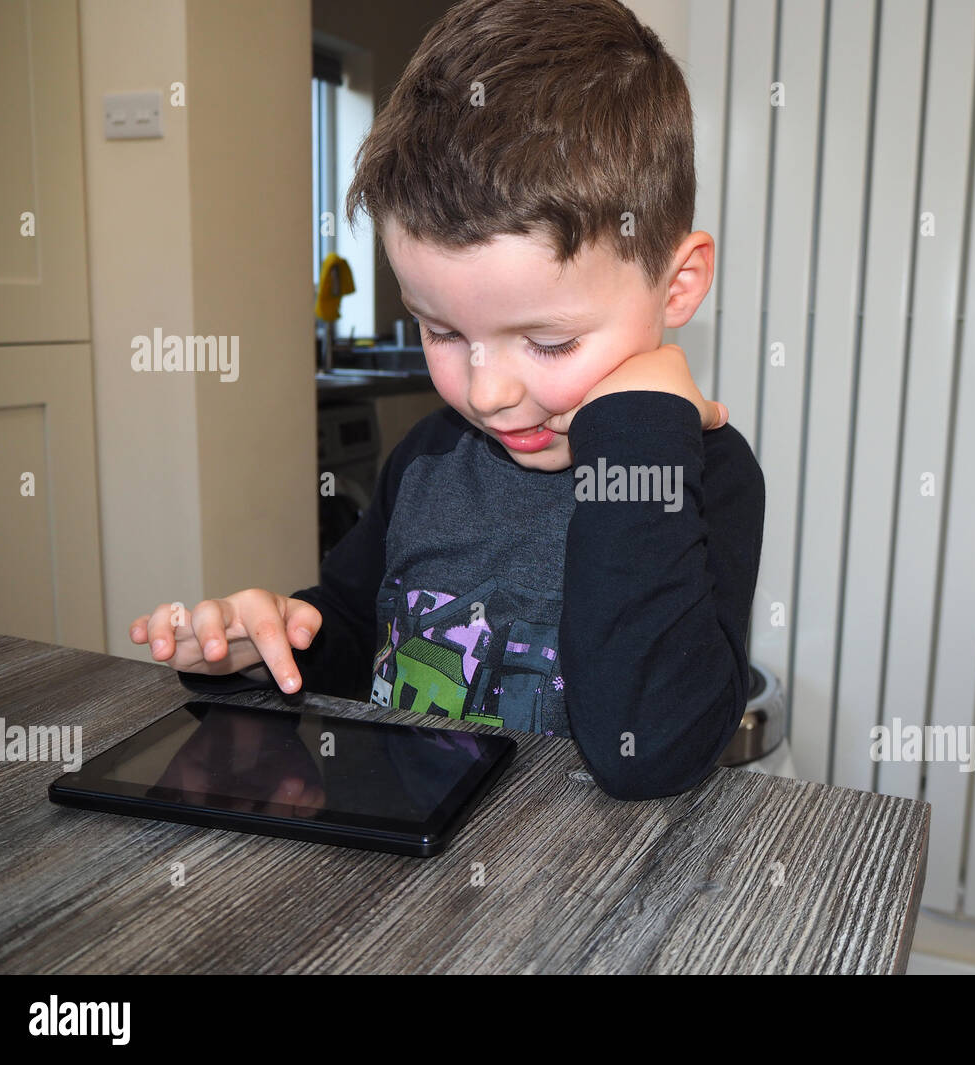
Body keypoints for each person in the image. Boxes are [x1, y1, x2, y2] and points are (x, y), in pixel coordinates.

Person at [130, 0, 764, 801]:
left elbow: (650, 750)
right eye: (440, 330)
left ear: (677, 285)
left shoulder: (706, 474)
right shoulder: (430, 458)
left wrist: (637, 432)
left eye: (549, 341)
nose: (487, 394)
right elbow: (359, 636)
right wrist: (272, 649)